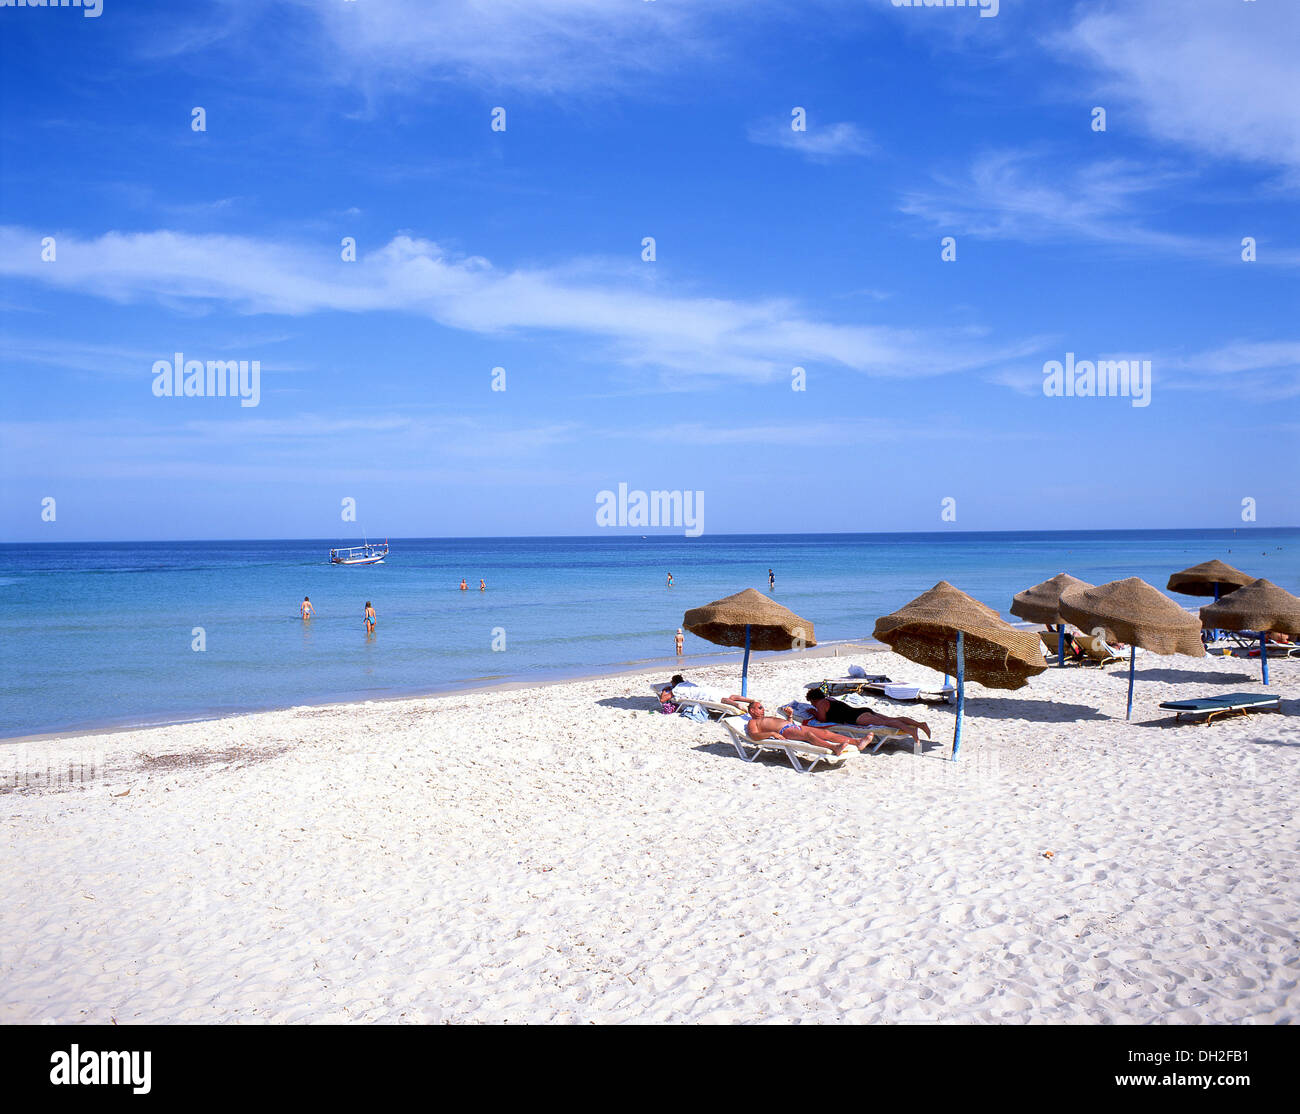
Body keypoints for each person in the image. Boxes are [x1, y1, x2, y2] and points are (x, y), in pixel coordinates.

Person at [727, 696, 868, 757]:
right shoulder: (753, 722)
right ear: (752, 711)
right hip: (785, 732)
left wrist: (790, 716)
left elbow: (788, 723)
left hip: (792, 727)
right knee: (809, 736)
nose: (763, 709)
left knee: (825, 733)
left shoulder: (765, 718)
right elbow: (754, 735)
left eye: (762, 707)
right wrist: (772, 734)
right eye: (760, 707)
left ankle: (857, 742)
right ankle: (833, 748)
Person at [801, 687, 930, 747]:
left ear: (813, 699)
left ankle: (912, 730)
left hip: (856, 717)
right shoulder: (830, 699)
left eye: (811, 701)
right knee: (891, 719)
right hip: (861, 711)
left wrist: (814, 713)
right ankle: (920, 724)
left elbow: (822, 719)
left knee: (888, 722)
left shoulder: (821, 703)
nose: (812, 704)